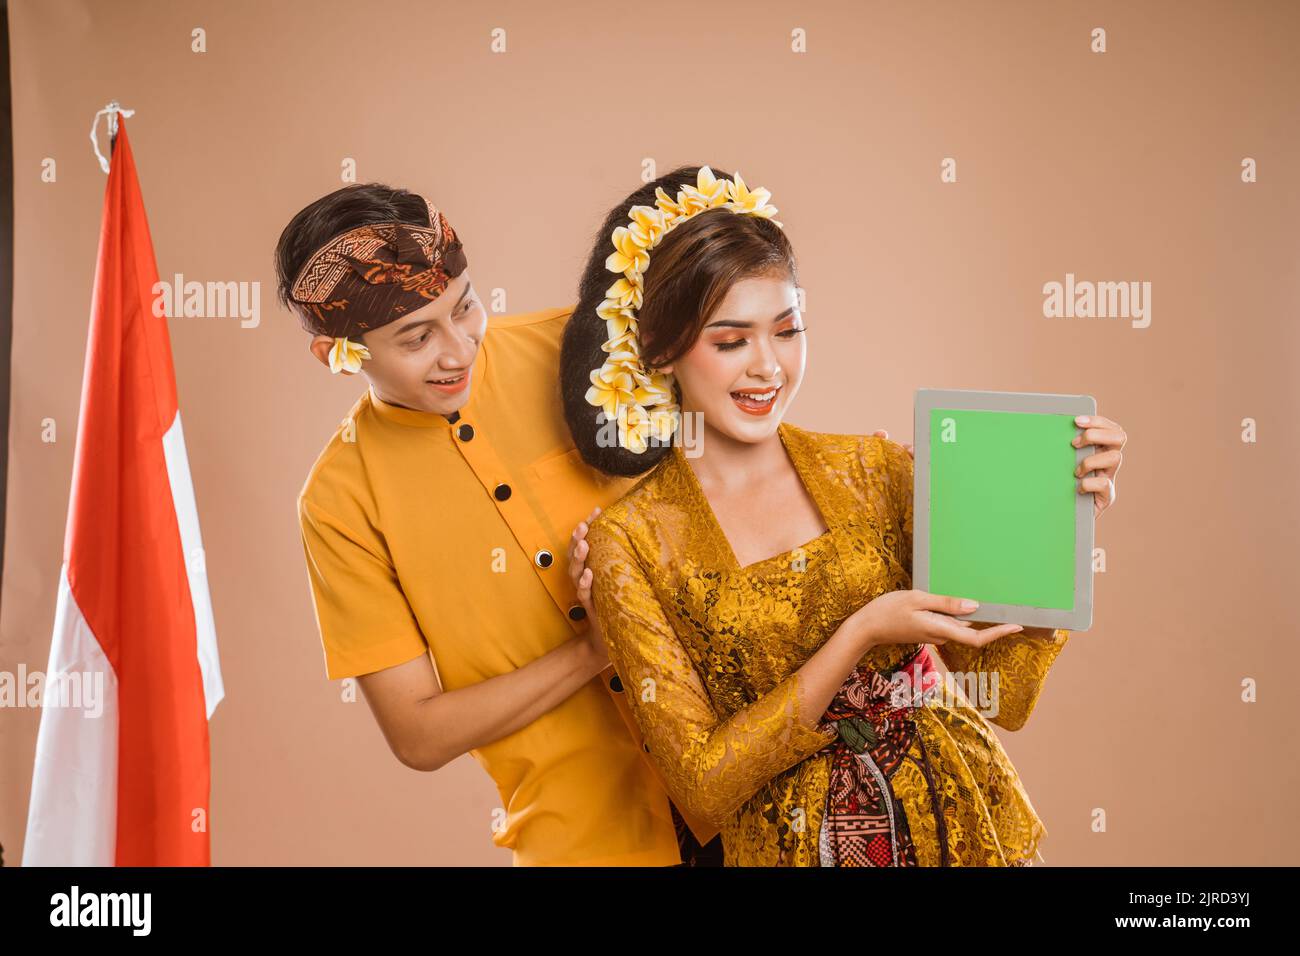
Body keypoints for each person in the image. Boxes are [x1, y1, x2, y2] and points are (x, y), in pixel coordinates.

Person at [561, 165, 1127, 866]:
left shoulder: (874, 469)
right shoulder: (630, 543)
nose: (768, 366)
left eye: (788, 330)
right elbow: (703, 789)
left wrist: (1055, 516)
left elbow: (1005, 692)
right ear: (662, 350)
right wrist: (860, 633)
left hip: (968, 828)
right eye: (731, 340)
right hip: (795, 849)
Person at [276, 183, 723, 865]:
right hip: (587, 848)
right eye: (417, 337)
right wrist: (597, 647)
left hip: (759, 789)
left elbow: (743, 463)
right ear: (339, 353)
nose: (459, 350)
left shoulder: (578, 349)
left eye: (466, 307)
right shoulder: (339, 504)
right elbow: (418, 733)